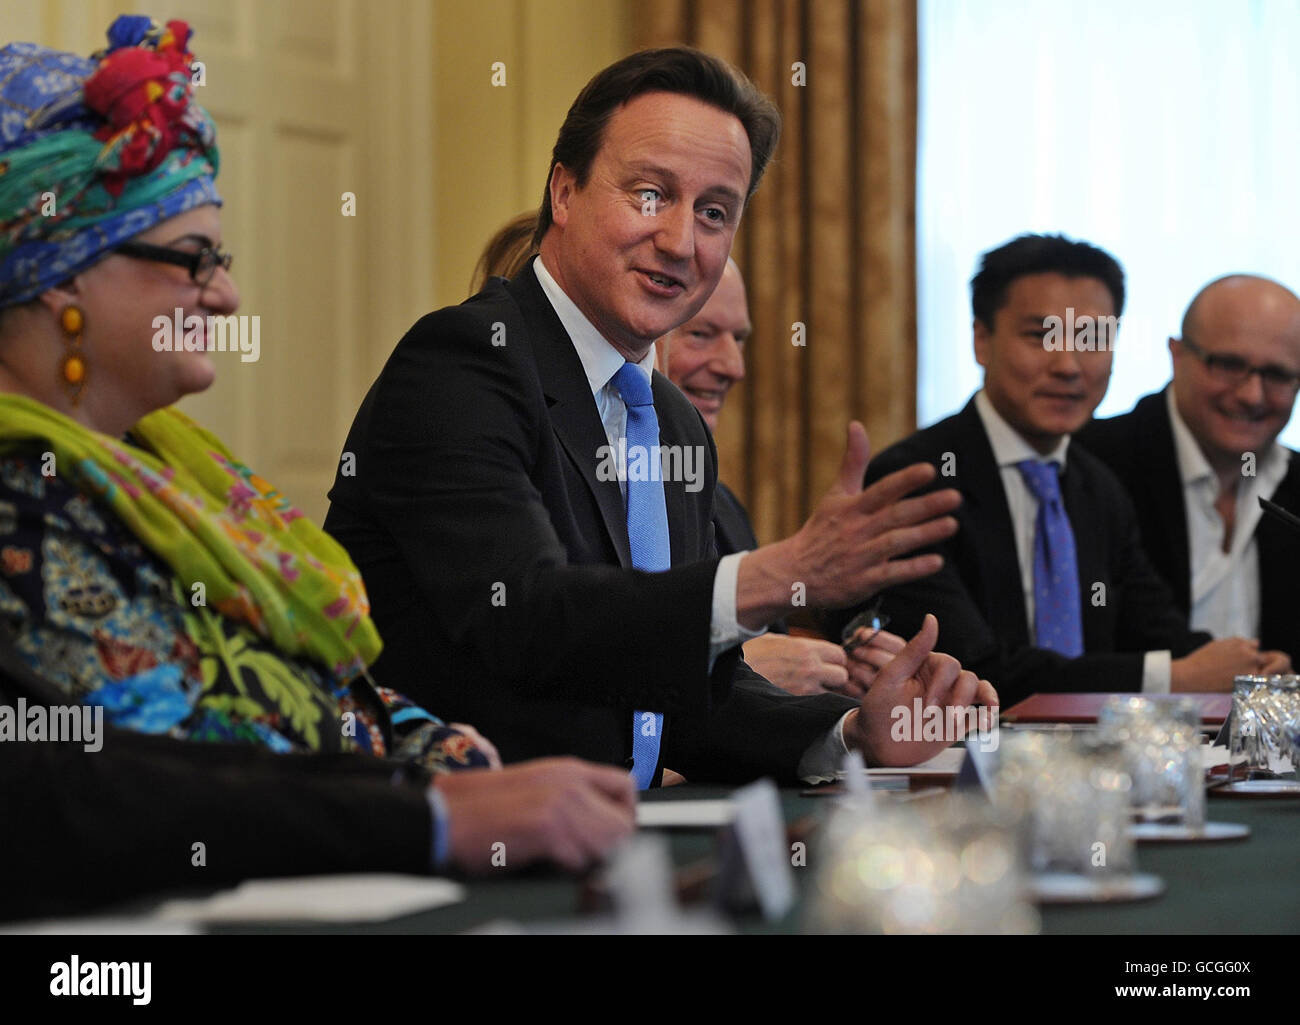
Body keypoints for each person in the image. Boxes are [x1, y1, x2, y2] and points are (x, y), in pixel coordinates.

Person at [0, 17, 633, 883]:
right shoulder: (17, 493)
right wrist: (427, 810)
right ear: (57, 270)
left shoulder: (185, 469)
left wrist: (434, 747)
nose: (226, 295)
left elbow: (322, 687)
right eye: (191, 259)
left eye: (218, 258)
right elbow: (140, 769)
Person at [325, 46, 996, 788]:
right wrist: (779, 574)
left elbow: (675, 697)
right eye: (650, 194)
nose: (681, 241)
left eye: (715, 212)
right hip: (455, 847)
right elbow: (527, 619)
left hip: (614, 852)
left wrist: (853, 735)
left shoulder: (673, 423)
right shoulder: (461, 360)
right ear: (565, 190)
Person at [829, 234, 1288, 708]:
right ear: (981, 340)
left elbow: (1154, 627)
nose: (1068, 365)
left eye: (1091, 338)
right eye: (1041, 336)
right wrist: (1170, 676)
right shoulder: (916, 478)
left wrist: (1250, 665)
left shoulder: (1098, 486)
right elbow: (970, 668)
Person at [658, 257, 910, 698]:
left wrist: (841, 674)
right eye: (699, 333)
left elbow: (772, 655)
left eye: (738, 339)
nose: (733, 366)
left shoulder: (719, 503)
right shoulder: (558, 490)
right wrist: (741, 675)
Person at [1075, 275, 1300, 658]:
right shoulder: (1089, 464)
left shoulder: (1294, 480)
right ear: (1176, 356)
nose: (1251, 395)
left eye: (1277, 375)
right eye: (1229, 365)